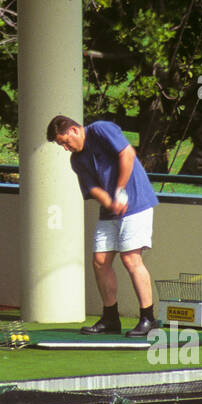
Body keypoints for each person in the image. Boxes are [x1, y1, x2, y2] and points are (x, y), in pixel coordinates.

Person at [47, 115, 159, 337]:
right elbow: (92, 189)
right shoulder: (76, 160)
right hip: (111, 211)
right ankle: (110, 319)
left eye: (65, 142)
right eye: (62, 145)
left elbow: (127, 153)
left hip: (137, 202)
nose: (66, 148)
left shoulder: (100, 129)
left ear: (74, 130)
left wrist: (119, 191)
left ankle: (148, 318)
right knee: (99, 262)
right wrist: (109, 202)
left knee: (130, 258)